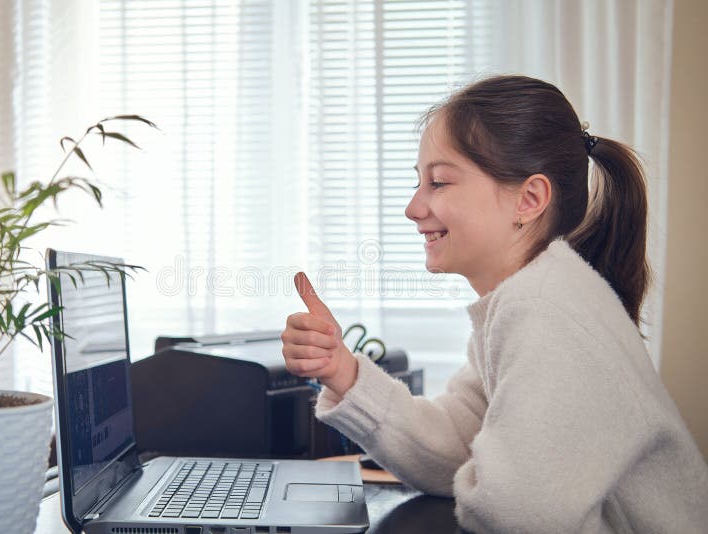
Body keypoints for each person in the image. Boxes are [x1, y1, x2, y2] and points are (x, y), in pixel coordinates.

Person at [280, 75, 708, 533]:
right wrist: (343, 371)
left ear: (529, 199)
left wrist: (479, 471)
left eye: (439, 182)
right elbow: (455, 443)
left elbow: (516, 515)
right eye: (419, 182)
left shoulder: (550, 313)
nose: (412, 207)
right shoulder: (527, 301)